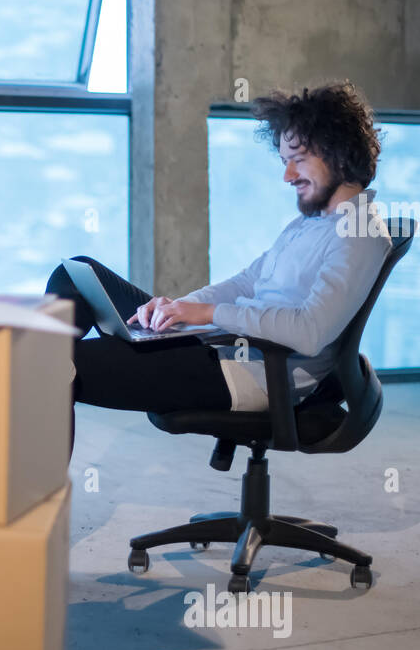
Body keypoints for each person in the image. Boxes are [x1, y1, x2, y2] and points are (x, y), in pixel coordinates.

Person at [46, 80, 392, 452]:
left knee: (53, 364)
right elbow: (246, 282)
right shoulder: (313, 222)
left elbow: (309, 332)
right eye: (284, 161)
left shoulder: (360, 234)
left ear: (338, 153)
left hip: (249, 374)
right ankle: (54, 377)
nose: (287, 176)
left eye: (299, 159)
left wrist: (209, 313)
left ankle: (42, 495)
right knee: (75, 275)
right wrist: (178, 310)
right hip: (217, 345)